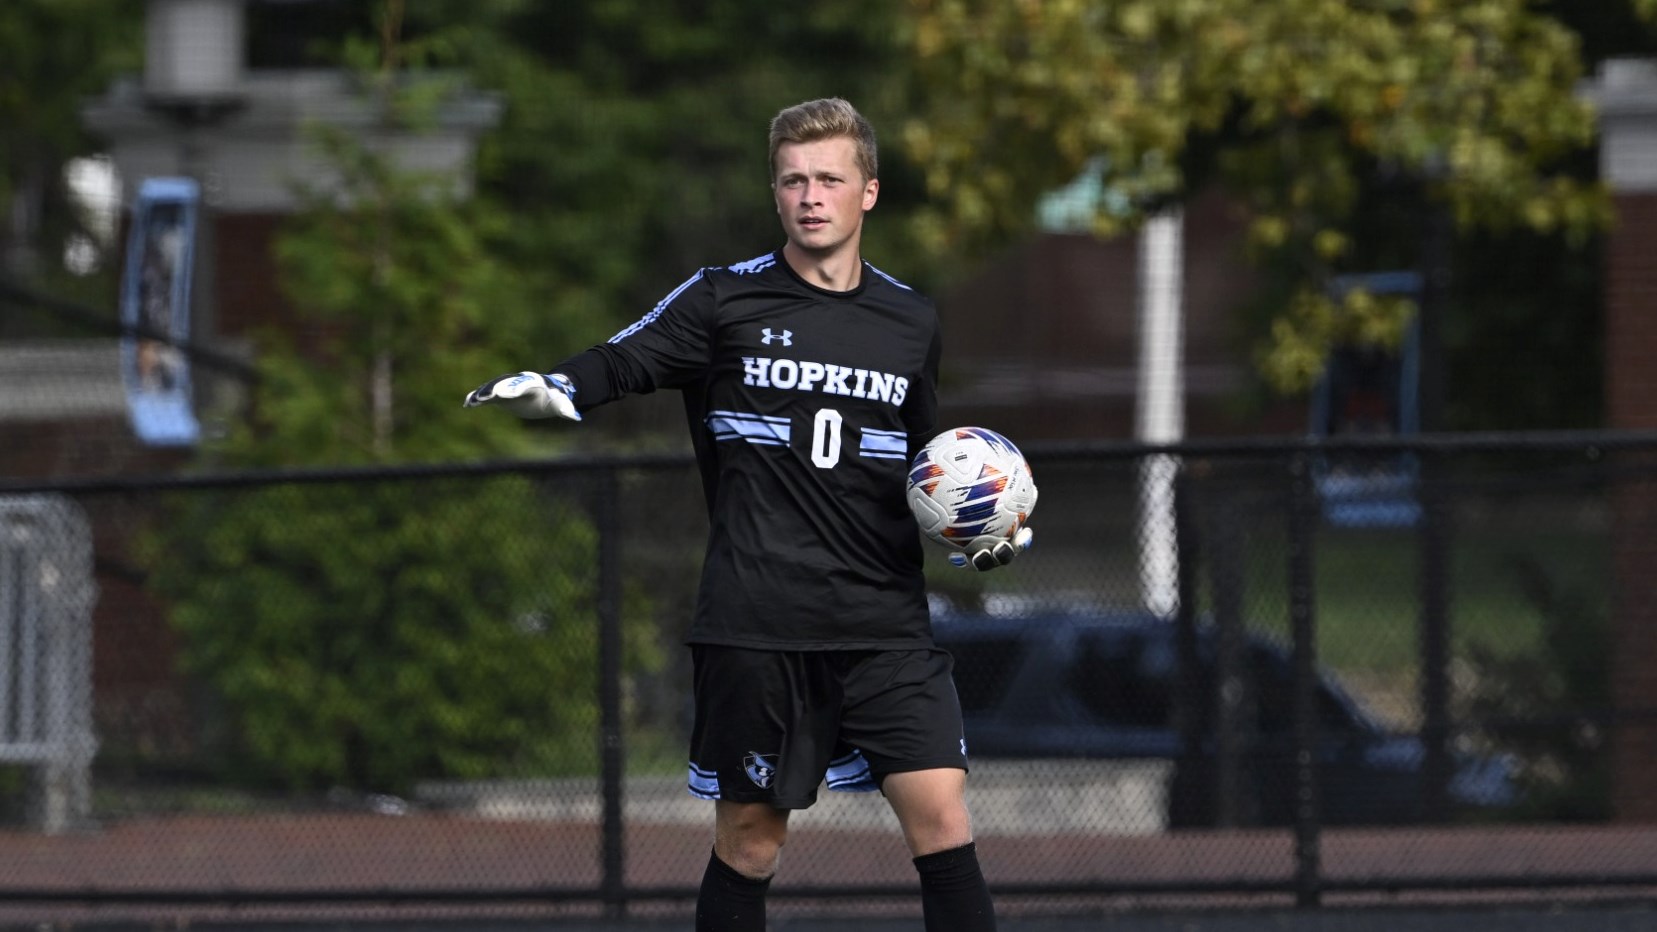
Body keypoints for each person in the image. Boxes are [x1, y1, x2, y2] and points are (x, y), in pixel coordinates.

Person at [464, 97, 1030, 932]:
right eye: (793, 180)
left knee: (943, 824)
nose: (811, 195)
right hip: (756, 621)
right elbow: (630, 355)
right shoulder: (723, 302)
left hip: (884, 625)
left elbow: (927, 464)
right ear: (775, 194)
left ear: (866, 192)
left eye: (829, 179)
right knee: (751, 842)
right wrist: (561, 387)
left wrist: (982, 530)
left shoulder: (909, 320)